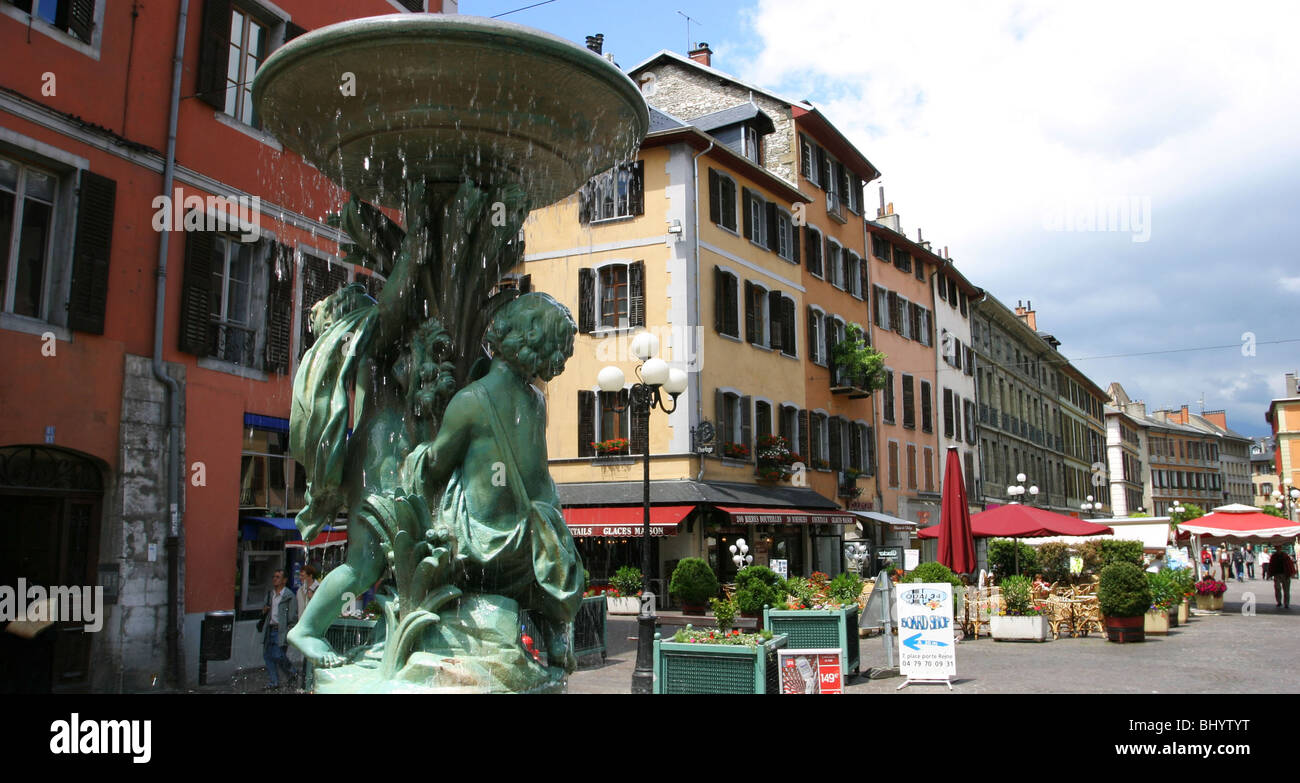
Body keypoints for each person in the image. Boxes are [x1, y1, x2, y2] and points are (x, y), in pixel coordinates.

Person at [262, 569, 299, 689]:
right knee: (268, 656)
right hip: (269, 629)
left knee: (278, 654)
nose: (274, 579)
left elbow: (293, 615)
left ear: (284, 580)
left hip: (281, 630)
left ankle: (292, 671)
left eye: (278, 577)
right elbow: (265, 611)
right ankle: (274, 682)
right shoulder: (270, 595)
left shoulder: (289, 596)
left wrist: (288, 629)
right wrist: (264, 612)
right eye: (274, 576)